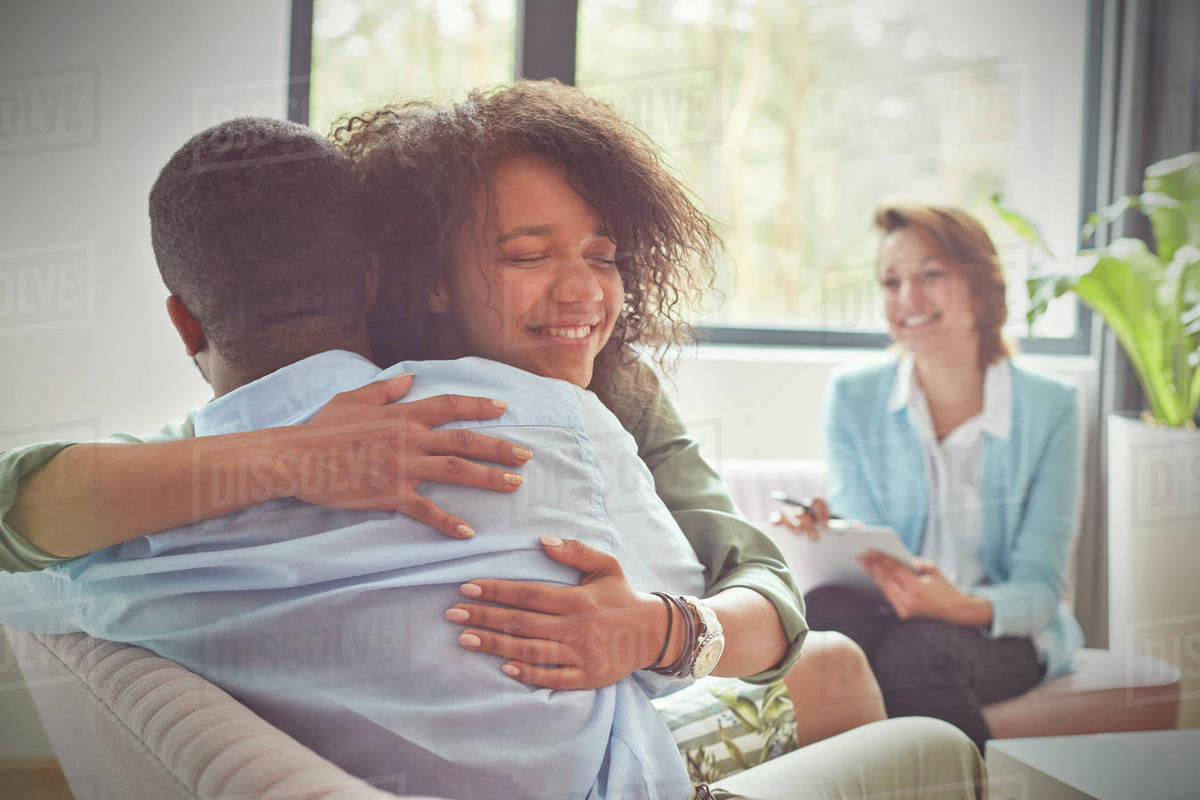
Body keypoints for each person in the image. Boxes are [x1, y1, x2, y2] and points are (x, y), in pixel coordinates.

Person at [0, 96, 981, 795]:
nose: (583, 292)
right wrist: (292, 456)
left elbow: (753, 572)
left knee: (827, 654)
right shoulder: (514, 424)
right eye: (526, 254)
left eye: (602, 254)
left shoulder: (613, 388)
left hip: (615, 695)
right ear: (410, 277)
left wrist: (659, 630)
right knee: (851, 675)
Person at [774, 203, 1084, 753]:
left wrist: (955, 606)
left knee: (917, 651)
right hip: (889, 608)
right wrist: (833, 531)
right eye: (891, 282)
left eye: (930, 274)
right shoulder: (854, 396)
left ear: (983, 285)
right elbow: (866, 538)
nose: (906, 299)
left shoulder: (1051, 408)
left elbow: (1040, 587)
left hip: (999, 628)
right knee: (821, 618)